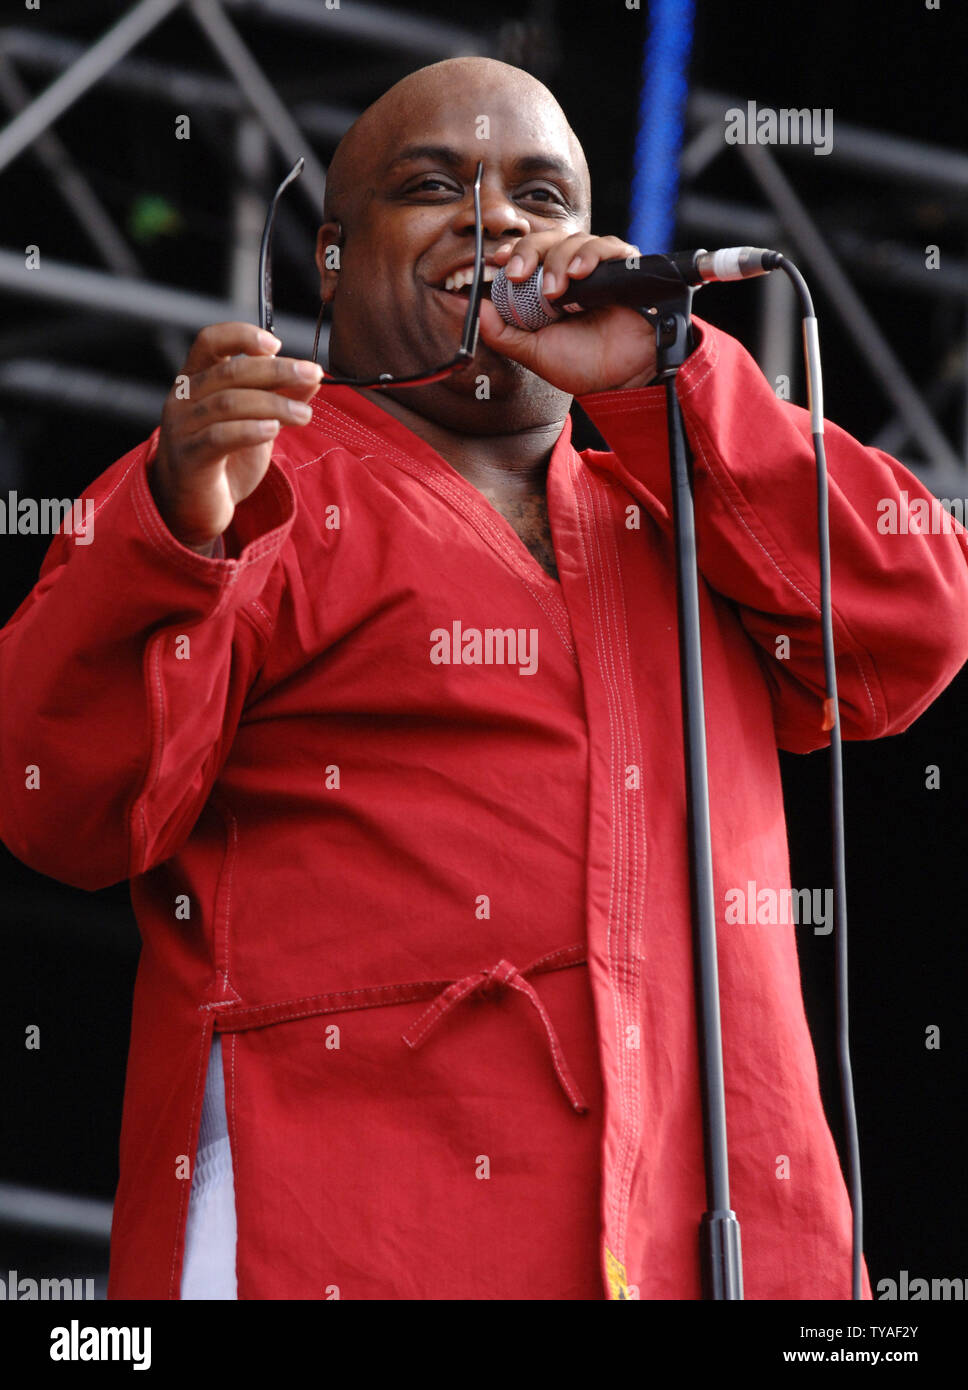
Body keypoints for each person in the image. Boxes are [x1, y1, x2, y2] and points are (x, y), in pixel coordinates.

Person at [1, 56, 967, 1302]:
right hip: (353, 1231)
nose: (497, 220)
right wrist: (172, 532)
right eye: (431, 185)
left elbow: (915, 617)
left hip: (713, 1240)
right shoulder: (254, 490)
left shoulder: (682, 502)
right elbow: (59, 797)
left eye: (541, 196)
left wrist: (671, 385)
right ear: (332, 262)